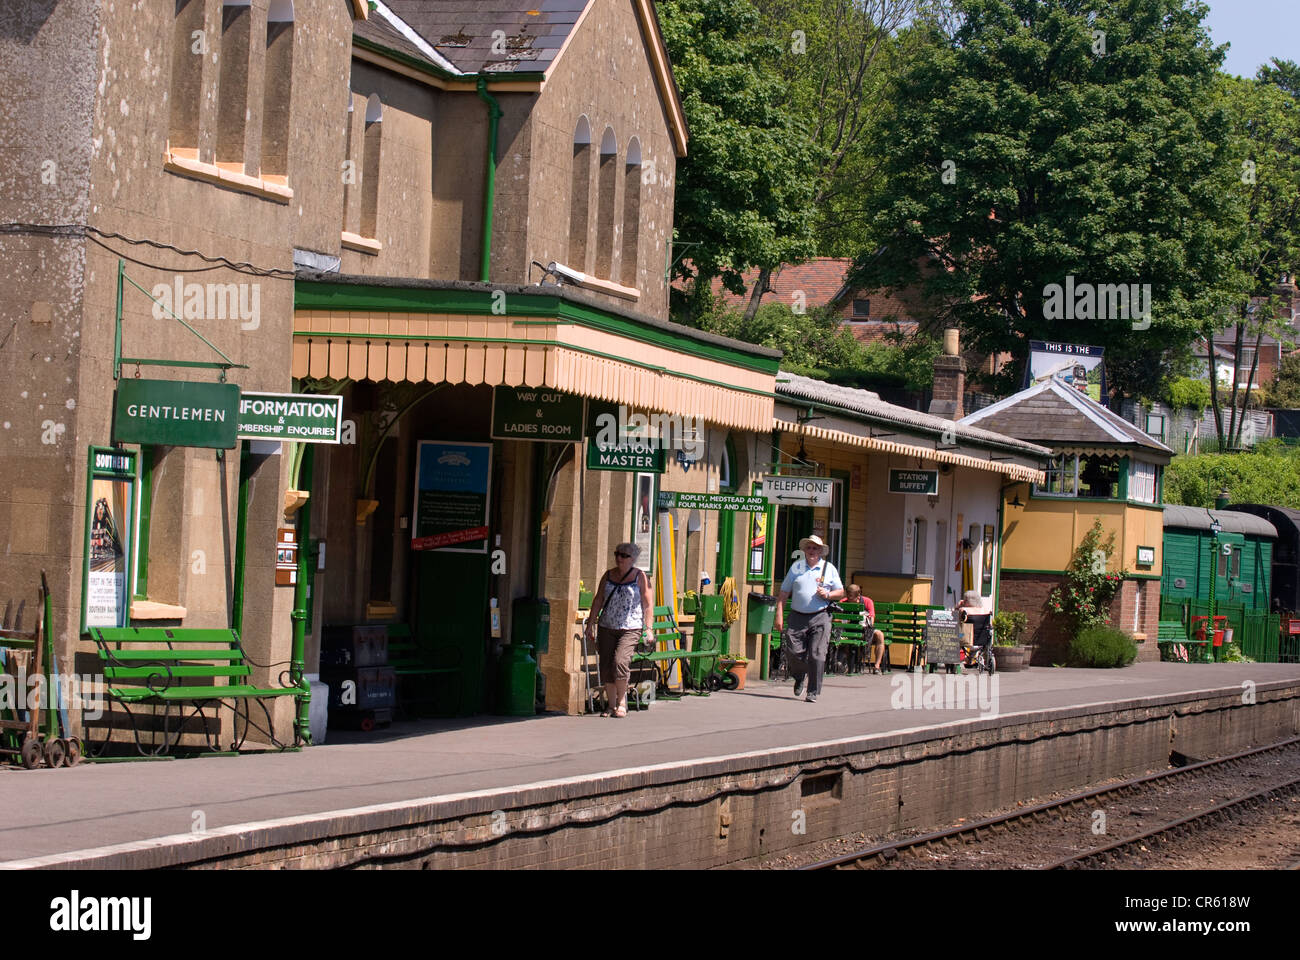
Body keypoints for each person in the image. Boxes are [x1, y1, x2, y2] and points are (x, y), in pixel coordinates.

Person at [584, 542, 653, 718]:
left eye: (624, 556)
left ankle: (622, 702)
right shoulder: (608, 575)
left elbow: (648, 604)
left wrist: (649, 628)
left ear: (633, 559)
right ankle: (611, 705)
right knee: (606, 664)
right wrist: (590, 624)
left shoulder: (640, 577)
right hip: (607, 625)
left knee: (620, 661)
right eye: (617, 554)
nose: (619, 558)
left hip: (631, 627)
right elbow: (598, 599)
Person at [774, 534, 844, 703]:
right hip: (797, 616)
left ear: (820, 551)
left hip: (820, 616)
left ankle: (813, 691)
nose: (812, 551)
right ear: (805, 550)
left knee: (817, 654)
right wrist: (779, 614)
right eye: (809, 548)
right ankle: (799, 675)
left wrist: (828, 594)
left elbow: (841, 592)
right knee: (793, 651)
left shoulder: (829, 569)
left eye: (815, 548)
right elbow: (784, 592)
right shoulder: (796, 567)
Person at [844, 584, 884, 674]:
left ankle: (877, 666)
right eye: (848, 596)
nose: (849, 599)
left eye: (851, 597)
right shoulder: (843, 602)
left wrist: (864, 623)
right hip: (849, 631)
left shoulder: (867, 601)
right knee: (845, 638)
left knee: (880, 635)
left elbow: (871, 620)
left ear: (858, 596)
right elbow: (837, 619)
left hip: (865, 629)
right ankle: (849, 664)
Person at [956, 590, 993, 660]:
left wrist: (958, 606)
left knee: (958, 633)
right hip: (982, 639)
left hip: (966, 638)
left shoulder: (964, 610)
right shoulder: (986, 610)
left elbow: (954, 619)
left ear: (966, 600)